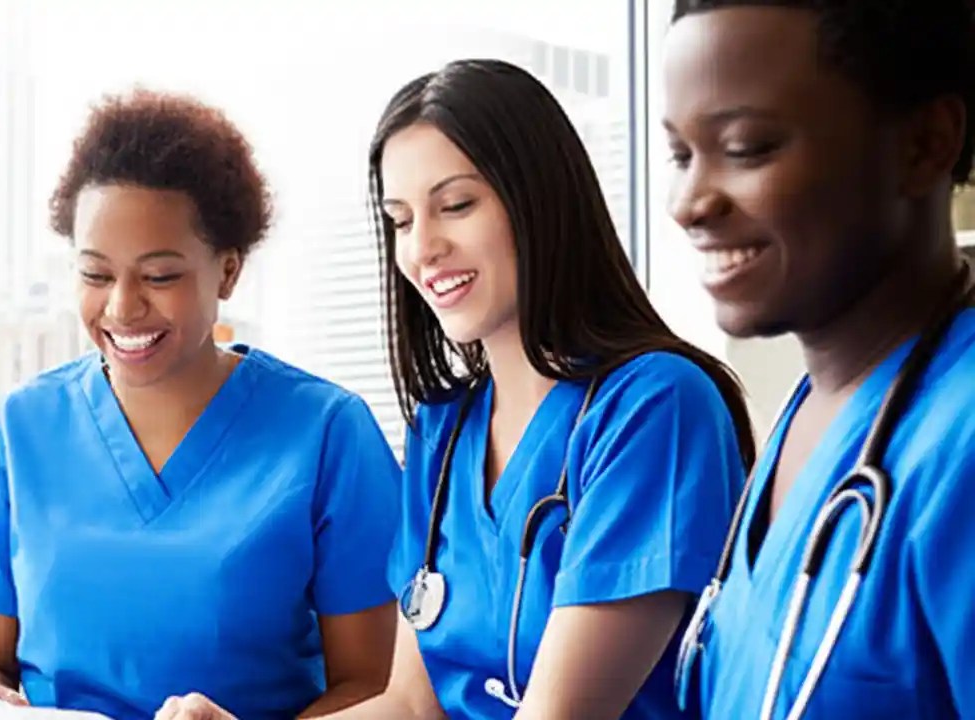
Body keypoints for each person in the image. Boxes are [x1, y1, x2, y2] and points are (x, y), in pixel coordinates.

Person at [158, 59, 755, 720]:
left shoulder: (653, 409)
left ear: (538, 199)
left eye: (457, 205)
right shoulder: (441, 435)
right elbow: (414, 704)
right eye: (401, 220)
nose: (422, 248)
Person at [0, 89, 400, 720]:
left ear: (228, 271)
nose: (121, 308)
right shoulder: (19, 430)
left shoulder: (328, 434)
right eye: (95, 275)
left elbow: (374, 688)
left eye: (160, 276)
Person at [663, 2, 975, 718]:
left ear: (925, 144)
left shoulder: (959, 448)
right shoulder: (809, 415)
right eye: (682, 154)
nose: (687, 203)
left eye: (745, 147)